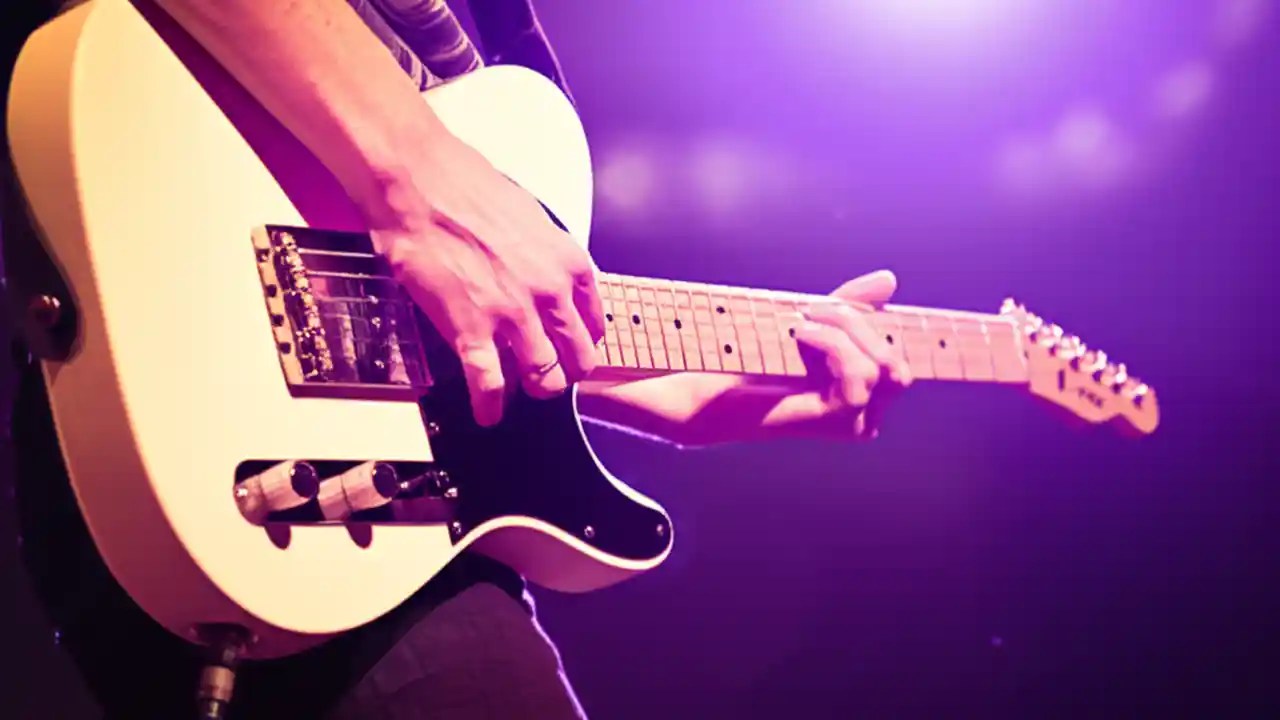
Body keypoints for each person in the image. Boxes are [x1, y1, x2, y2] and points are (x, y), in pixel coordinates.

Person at [0, 1, 910, 717]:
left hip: (363, 488)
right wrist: (414, 173)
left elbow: (459, 299)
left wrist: (710, 394)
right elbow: (429, 213)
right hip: (171, 382)